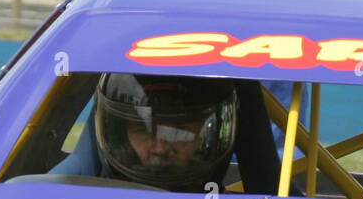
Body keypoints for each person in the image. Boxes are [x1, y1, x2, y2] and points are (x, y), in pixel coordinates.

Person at [51, 74, 238, 191]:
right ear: (121, 135)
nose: (160, 148)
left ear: (204, 137)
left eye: (179, 131)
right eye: (143, 131)